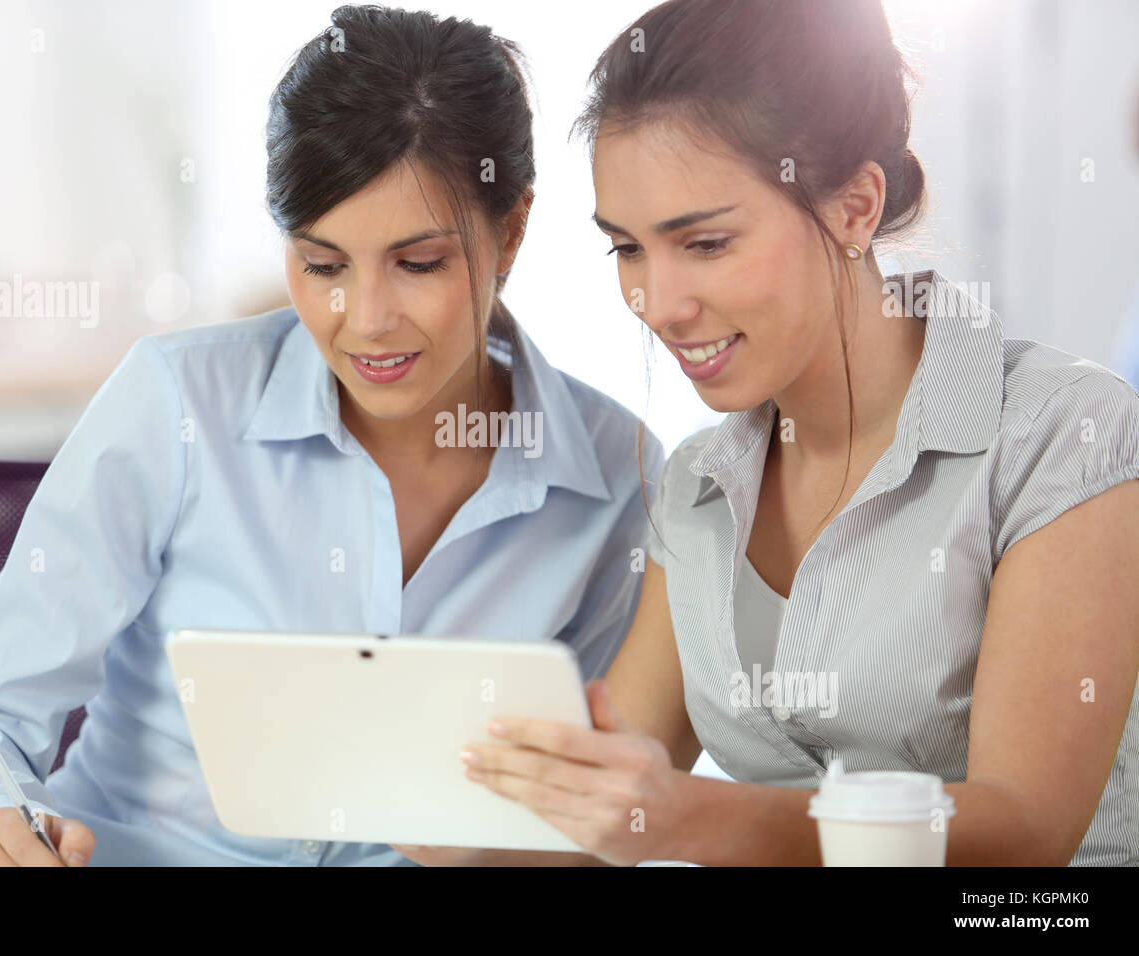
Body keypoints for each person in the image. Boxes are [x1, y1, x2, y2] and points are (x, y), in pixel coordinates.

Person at [0, 4, 664, 866]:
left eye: (419, 264)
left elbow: (601, 813)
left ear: (511, 230)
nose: (366, 321)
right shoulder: (176, 405)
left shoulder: (618, 479)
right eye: (323, 265)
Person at [444, 0, 1139, 867]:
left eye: (703, 243)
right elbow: (614, 792)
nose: (657, 304)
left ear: (854, 208)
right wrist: (449, 812)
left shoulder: (1061, 432)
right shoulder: (697, 485)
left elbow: (1023, 830)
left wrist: (691, 819)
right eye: (627, 249)